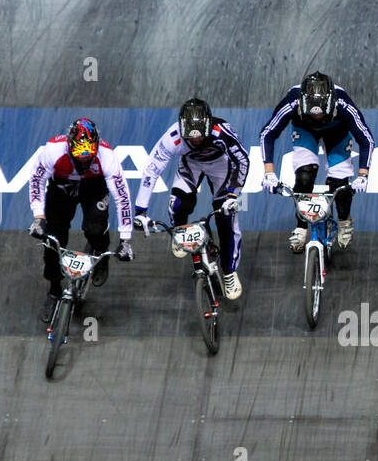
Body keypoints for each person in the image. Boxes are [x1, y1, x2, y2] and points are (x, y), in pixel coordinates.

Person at [134, 98, 250, 299]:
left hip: (221, 167)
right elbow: (151, 171)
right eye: (191, 138)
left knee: (226, 218)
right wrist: (140, 211)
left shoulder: (222, 131)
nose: (196, 141)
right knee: (179, 205)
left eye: (199, 137)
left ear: (207, 126)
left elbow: (243, 161)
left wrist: (234, 193)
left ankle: (229, 271)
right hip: (191, 166)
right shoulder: (173, 137)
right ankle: (179, 231)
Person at [27, 117, 135, 323]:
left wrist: (125, 240)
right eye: (79, 157)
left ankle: (101, 256)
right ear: (69, 147)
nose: (84, 161)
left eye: (88, 157)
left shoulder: (106, 156)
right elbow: (37, 180)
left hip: (93, 189)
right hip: (62, 189)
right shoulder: (53, 150)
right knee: (52, 242)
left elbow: (122, 198)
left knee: (95, 229)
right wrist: (38, 217)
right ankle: (54, 290)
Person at [259, 71, 375, 252]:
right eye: (313, 115)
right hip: (305, 131)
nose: (318, 118)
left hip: (337, 132)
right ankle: (301, 227)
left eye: (321, 115)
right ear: (303, 104)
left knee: (340, 182)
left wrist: (363, 175)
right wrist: (269, 173)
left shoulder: (343, 103)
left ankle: (344, 220)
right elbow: (268, 133)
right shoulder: (292, 101)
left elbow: (366, 139)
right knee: (305, 175)